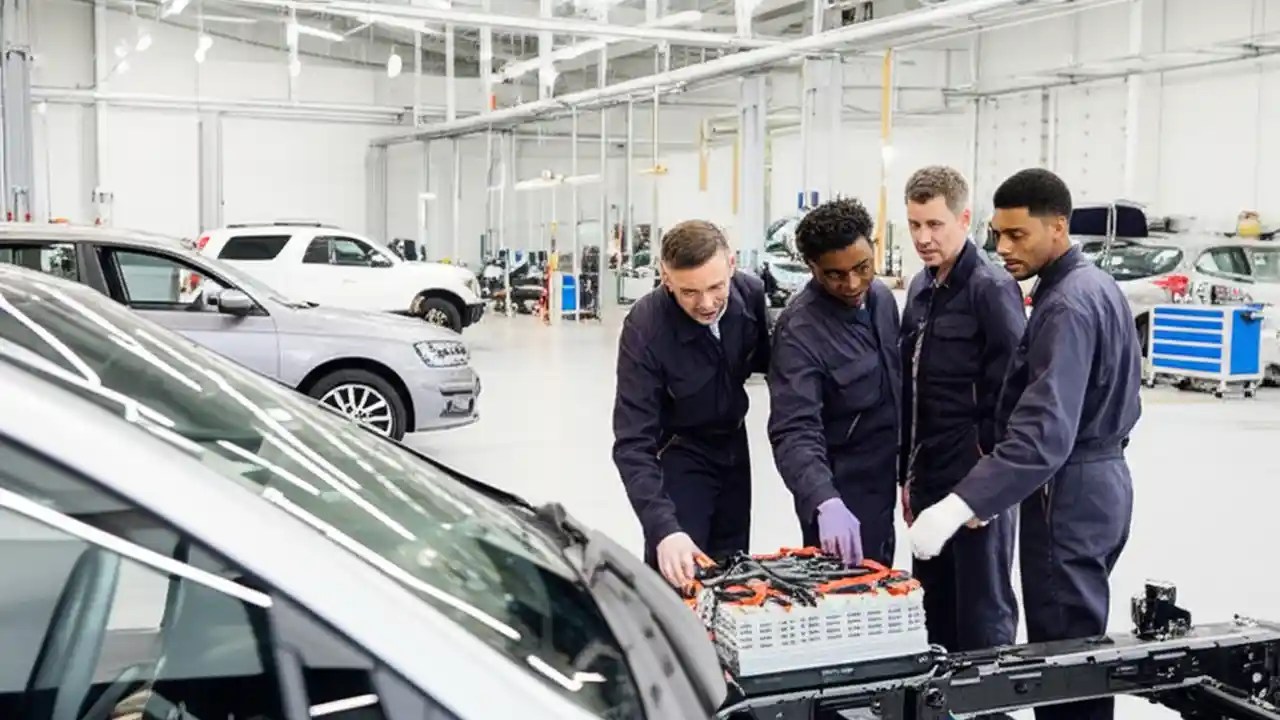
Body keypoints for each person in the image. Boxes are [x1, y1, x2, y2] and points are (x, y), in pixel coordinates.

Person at [908, 168, 1141, 720]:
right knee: (1075, 646)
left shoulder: (1065, 307)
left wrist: (963, 503)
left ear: (1058, 226)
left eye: (1018, 235)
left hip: (1070, 489)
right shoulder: (1093, 286)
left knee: (1061, 658)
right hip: (1099, 480)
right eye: (998, 234)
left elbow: (1043, 434)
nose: (1003, 247)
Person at [898, 165, 1026, 653]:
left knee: (981, 616)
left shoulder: (990, 290)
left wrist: (987, 493)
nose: (923, 237)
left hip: (975, 483)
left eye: (934, 224)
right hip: (928, 478)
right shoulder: (920, 289)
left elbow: (1012, 395)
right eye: (914, 225)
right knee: (932, 615)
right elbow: (912, 389)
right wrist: (906, 479)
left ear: (964, 219)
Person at [612, 219, 772, 588]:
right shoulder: (645, 328)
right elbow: (633, 443)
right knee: (678, 581)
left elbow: (774, 366)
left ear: (732, 265)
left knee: (735, 575)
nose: (706, 303)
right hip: (679, 452)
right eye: (688, 292)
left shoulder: (749, 294)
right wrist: (663, 528)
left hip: (734, 448)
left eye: (716, 287)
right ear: (666, 278)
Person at [767, 198, 901, 567]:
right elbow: (793, 429)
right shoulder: (800, 331)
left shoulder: (882, 300)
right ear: (812, 268)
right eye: (835, 275)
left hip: (883, 479)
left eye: (862, 267)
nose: (852, 283)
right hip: (840, 492)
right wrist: (824, 500)